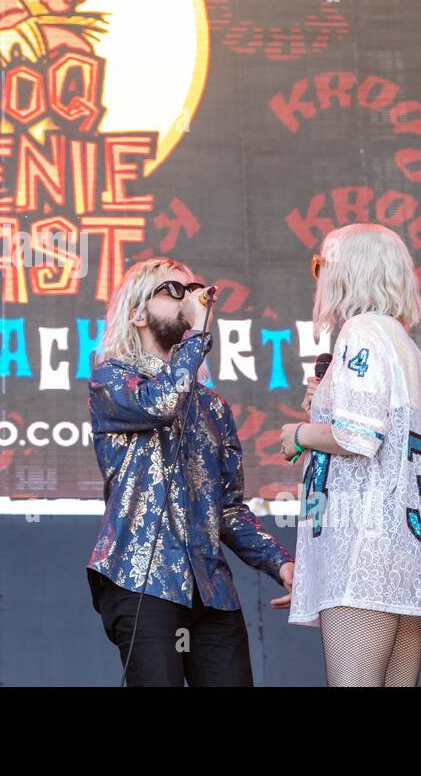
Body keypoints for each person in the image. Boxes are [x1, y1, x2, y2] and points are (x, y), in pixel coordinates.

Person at [87, 257, 294, 686]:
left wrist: (281, 563)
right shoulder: (111, 380)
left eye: (194, 289)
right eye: (173, 291)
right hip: (142, 580)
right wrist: (197, 335)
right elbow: (162, 403)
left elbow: (228, 510)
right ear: (138, 313)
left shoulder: (213, 407)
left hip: (211, 591)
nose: (190, 299)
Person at [280, 223, 421, 686]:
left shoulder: (361, 332)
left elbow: (359, 436)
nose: (318, 276)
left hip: (364, 548)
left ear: (347, 271)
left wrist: (299, 434)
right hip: (406, 553)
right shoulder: (407, 349)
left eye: (322, 264)